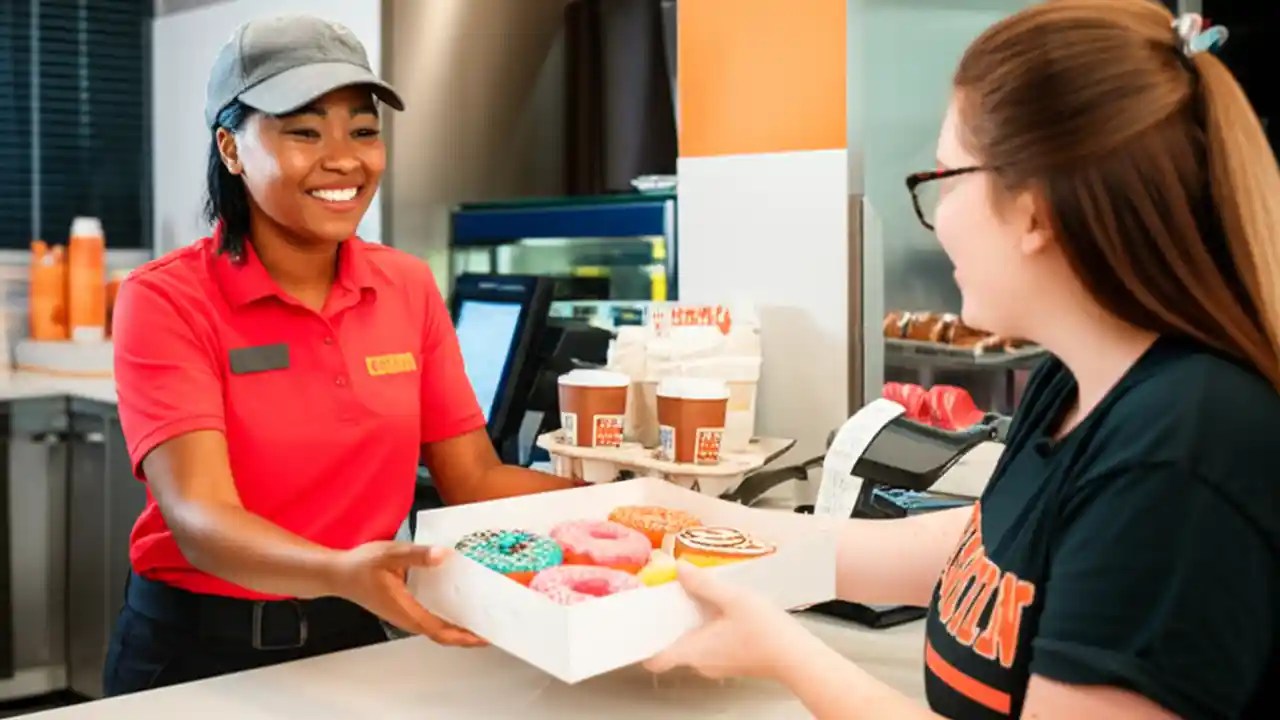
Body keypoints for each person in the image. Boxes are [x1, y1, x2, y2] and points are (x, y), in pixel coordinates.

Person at [648, 3, 1278, 719]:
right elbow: (980, 546)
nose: (938, 213)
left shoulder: (1184, 448)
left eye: (945, 177)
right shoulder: (1072, 382)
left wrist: (784, 653)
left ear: (1036, 210)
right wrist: (675, 521)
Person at [104, 15, 573, 696]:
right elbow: (202, 520)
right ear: (231, 148)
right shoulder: (165, 299)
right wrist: (339, 568)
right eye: (303, 131)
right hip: (194, 654)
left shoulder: (406, 286)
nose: (345, 160)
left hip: (351, 633)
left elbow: (473, 476)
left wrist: (639, 498)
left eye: (362, 130)